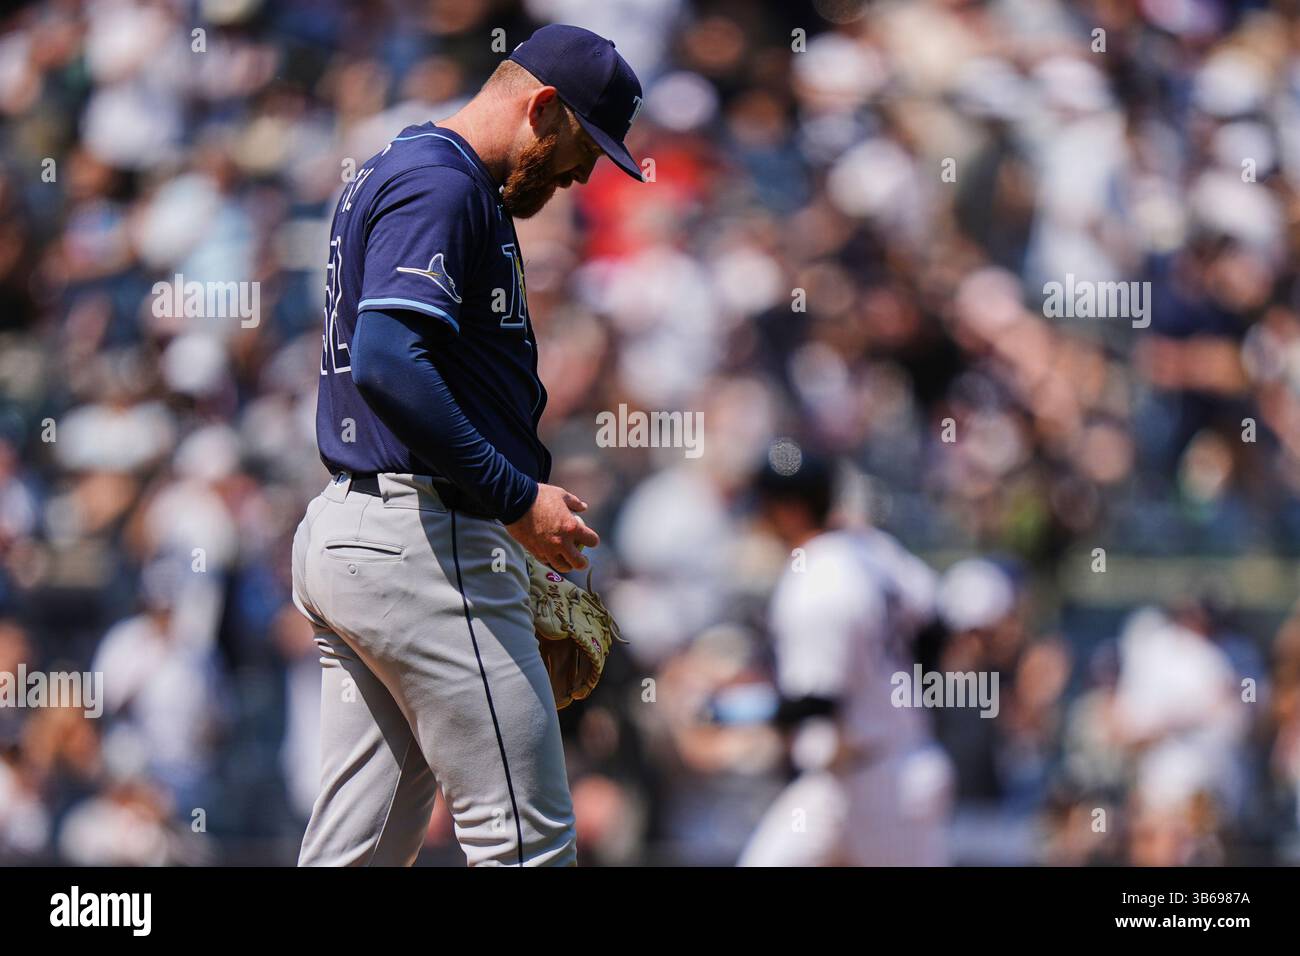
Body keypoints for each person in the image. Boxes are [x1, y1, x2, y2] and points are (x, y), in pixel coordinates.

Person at [291, 24, 645, 867]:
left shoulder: (405, 168)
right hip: (427, 542)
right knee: (526, 842)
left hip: (367, 534)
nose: (583, 171)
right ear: (543, 106)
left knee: (361, 853)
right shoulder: (440, 185)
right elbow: (388, 364)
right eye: (583, 144)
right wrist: (517, 500)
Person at [739, 447, 953, 866]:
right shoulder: (871, 547)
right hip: (845, 781)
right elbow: (936, 624)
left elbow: (817, 701)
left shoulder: (815, 582)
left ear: (789, 511)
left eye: (765, 507)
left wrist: (735, 708)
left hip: (884, 788)